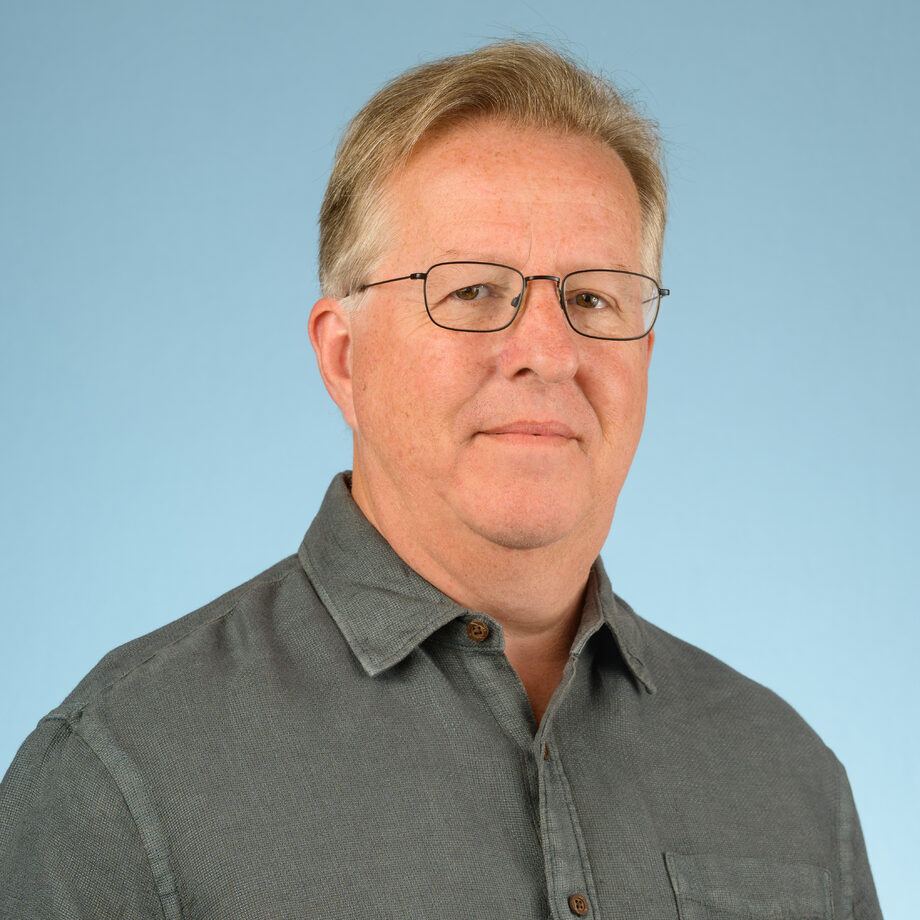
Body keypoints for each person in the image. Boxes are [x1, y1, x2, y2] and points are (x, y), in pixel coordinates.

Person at [0, 41, 881, 920]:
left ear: (644, 356)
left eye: (592, 299)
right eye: (473, 292)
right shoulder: (118, 786)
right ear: (344, 359)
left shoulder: (789, 781)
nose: (549, 353)